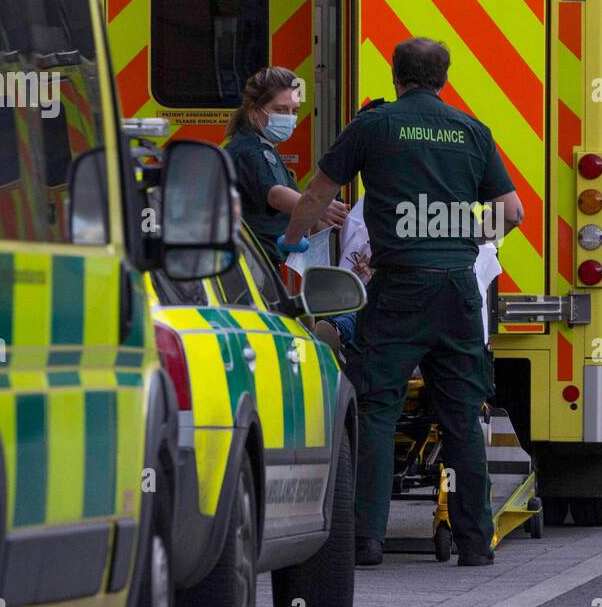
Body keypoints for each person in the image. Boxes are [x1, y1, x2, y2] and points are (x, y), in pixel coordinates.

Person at [281, 38, 524, 567]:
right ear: (443, 78)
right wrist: (468, 235)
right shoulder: (472, 131)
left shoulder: (374, 126)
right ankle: (476, 545)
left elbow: (319, 195)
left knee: (378, 410)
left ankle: (367, 538)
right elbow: (513, 211)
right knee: (462, 418)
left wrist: (293, 240)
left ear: (397, 76)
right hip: (457, 289)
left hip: (397, 290)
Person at [222, 66, 348, 264]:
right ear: (255, 111)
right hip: (251, 262)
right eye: (280, 110)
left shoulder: (263, 146)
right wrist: (316, 206)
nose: (288, 117)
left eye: (294, 111)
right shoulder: (250, 151)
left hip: (259, 261)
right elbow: (275, 194)